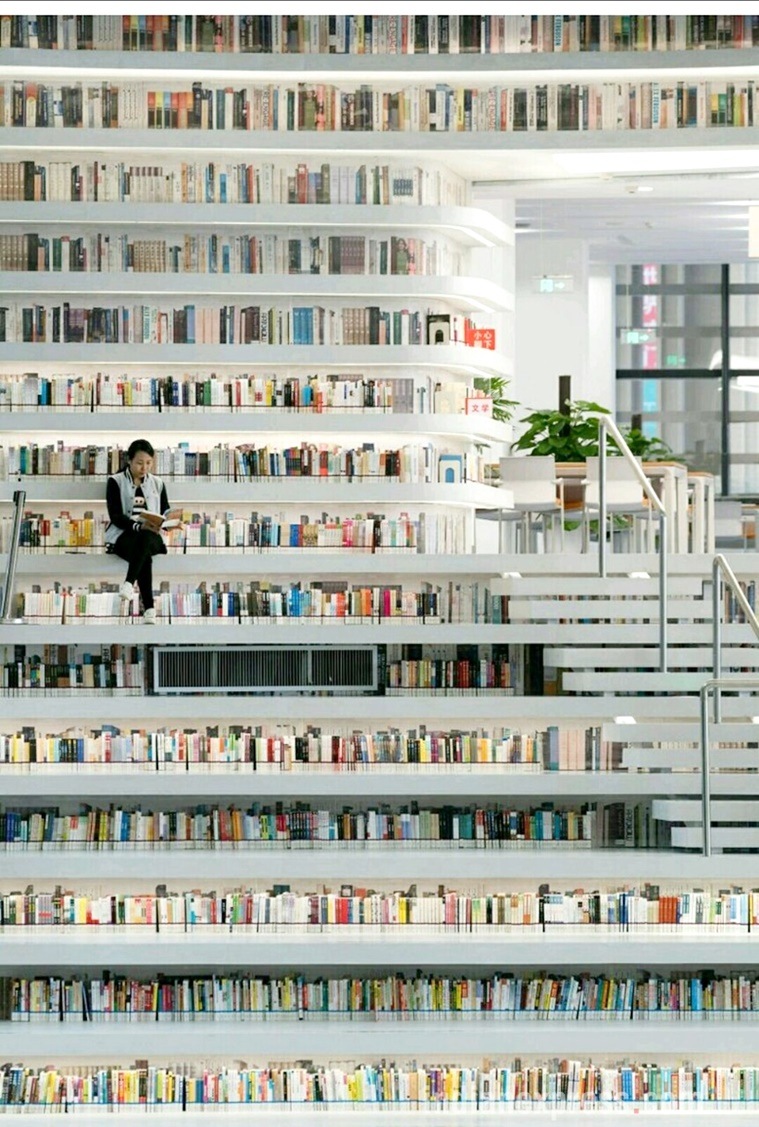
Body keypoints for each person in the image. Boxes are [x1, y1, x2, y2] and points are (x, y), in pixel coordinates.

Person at [105, 438, 181, 624]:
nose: (144, 467)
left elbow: (164, 510)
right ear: (129, 460)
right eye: (139, 463)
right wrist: (137, 526)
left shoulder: (158, 483)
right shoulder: (115, 481)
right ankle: (149, 609)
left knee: (145, 538)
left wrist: (171, 520)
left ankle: (129, 583)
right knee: (143, 552)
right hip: (124, 536)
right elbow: (115, 516)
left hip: (151, 535)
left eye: (148, 463)